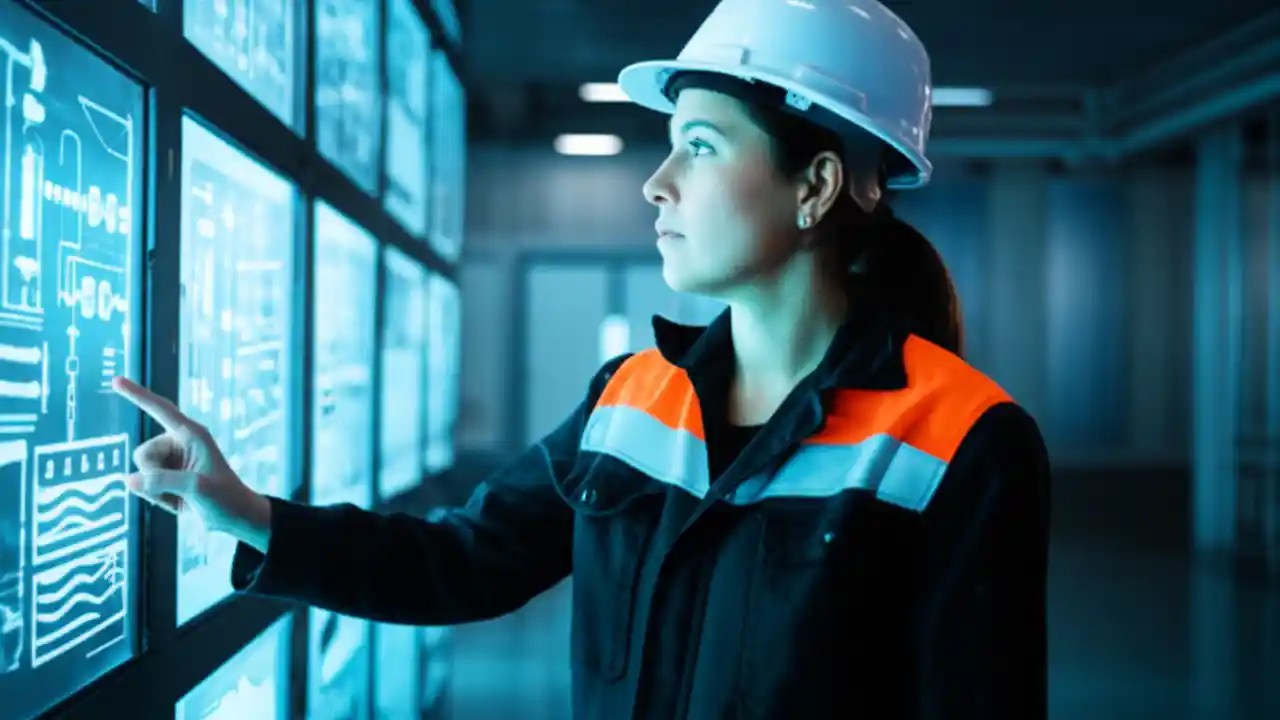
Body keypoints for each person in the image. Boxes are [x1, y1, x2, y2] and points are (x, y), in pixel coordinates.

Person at [114, 0, 1051, 717]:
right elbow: (466, 560)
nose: (657, 183)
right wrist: (243, 512)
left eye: (700, 145)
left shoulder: (962, 442)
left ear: (815, 186)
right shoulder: (633, 402)